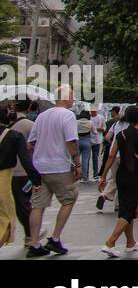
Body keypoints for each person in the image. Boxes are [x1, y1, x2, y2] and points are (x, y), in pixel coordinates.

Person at [26, 85, 81, 257]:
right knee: (69, 199)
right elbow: (71, 141)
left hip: (39, 166)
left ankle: (34, 244)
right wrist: (77, 163)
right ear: (65, 98)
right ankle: (55, 238)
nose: (73, 99)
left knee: (37, 205)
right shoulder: (67, 115)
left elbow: (30, 143)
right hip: (59, 166)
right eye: (71, 96)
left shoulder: (42, 116)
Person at [97, 104, 138, 257]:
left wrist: (103, 176)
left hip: (121, 175)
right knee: (128, 211)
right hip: (136, 175)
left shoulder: (120, 134)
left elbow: (111, 156)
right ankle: (110, 243)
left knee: (126, 208)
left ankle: (130, 243)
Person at [0, 105, 40, 248]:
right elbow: (25, 159)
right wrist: (36, 180)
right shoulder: (14, 136)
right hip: (4, 180)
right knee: (6, 219)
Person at [8, 99, 35, 247]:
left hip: (9, 170)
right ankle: (31, 233)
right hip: (25, 170)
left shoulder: (7, 124)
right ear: (29, 106)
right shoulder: (30, 124)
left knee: (19, 203)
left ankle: (29, 234)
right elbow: (34, 147)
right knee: (26, 202)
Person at [75, 110, 95, 183]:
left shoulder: (76, 122)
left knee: (75, 160)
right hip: (87, 141)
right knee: (85, 160)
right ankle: (85, 177)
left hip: (77, 141)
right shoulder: (90, 123)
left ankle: (75, 175)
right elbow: (95, 132)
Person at [88, 108, 104, 179]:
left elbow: (103, 129)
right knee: (86, 158)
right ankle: (86, 174)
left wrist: (95, 128)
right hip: (88, 140)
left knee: (95, 157)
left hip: (97, 140)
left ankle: (95, 174)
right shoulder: (88, 117)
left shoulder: (101, 117)